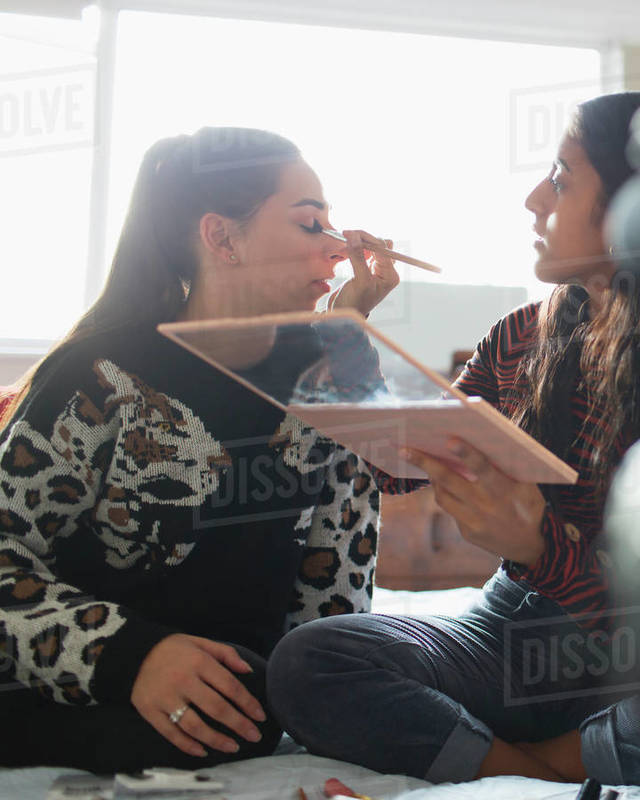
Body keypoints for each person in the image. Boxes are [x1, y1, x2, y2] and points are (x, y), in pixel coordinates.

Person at [267, 92, 640, 783]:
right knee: (310, 660)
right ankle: (533, 769)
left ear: (634, 204)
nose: (533, 200)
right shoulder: (522, 335)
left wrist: (537, 544)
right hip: (508, 631)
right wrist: (349, 334)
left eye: (559, 178)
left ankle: (519, 767)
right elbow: (401, 468)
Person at [0, 127, 402, 772]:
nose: (337, 251)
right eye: (310, 225)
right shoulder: (104, 375)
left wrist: (321, 688)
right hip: (77, 685)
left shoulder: (328, 366)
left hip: (240, 706)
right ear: (222, 237)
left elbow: (338, 576)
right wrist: (133, 656)